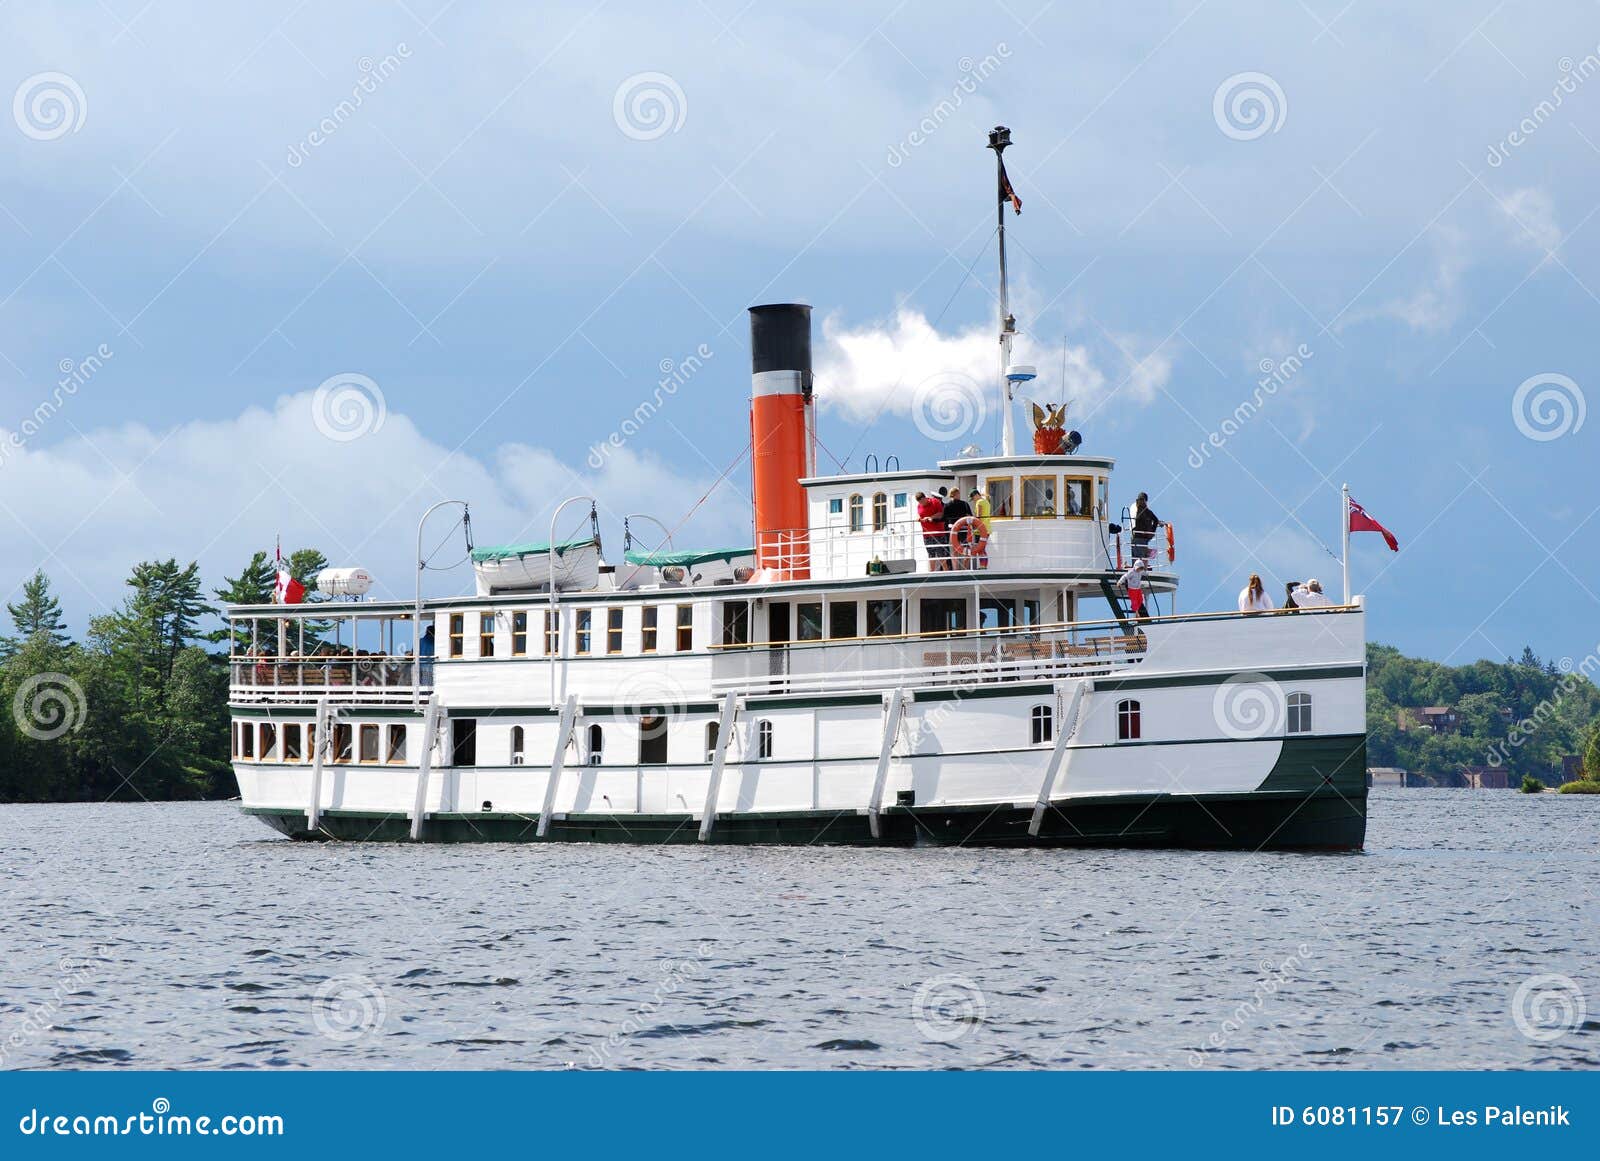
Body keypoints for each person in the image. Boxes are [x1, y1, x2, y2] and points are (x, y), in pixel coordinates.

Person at [942, 488, 974, 568]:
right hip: (963, 529)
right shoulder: (964, 504)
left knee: (954, 551)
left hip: (953, 530)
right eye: (959, 493)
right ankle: (965, 568)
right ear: (956, 494)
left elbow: (944, 519)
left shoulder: (947, 505)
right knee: (966, 549)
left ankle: (955, 569)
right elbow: (970, 516)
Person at [916, 490, 947, 572]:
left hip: (938, 533)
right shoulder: (919, 506)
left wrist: (931, 517)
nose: (921, 504)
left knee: (941, 555)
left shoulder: (935, 502)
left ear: (925, 498)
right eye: (920, 502)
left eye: (922, 501)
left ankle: (946, 572)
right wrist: (920, 519)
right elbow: (921, 516)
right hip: (926, 535)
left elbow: (940, 514)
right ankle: (932, 573)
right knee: (931, 555)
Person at [1131, 492, 1159, 560]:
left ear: (1145, 501)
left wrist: (1152, 532)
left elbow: (1156, 520)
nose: (1141, 501)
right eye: (1139, 500)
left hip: (1142, 537)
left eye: (1142, 500)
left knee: (1140, 558)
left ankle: (1148, 554)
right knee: (1139, 556)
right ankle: (1148, 554)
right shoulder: (1139, 510)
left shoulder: (1147, 512)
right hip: (1138, 537)